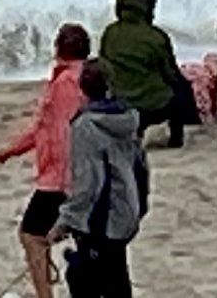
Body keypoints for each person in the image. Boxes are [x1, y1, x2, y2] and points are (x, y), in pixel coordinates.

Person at [0, 23, 91, 298]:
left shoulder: (65, 83)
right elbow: (44, 128)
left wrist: (63, 182)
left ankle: (44, 295)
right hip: (80, 174)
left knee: (31, 235)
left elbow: (60, 133)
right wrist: (13, 150)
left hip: (59, 178)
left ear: (59, 49)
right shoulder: (89, 77)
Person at [52, 59, 150, 298]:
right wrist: (139, 208)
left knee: (84, 280)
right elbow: (142, 168)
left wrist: (66, 220)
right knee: (115, 276)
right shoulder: (128, 119)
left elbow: (87, 183)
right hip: (127, 210)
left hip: (102, 218)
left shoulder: (86, 126)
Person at [97, 0, 194, 147]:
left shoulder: (109, 32)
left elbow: (103, 66)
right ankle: (176, 139)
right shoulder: (156, 37)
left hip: (119, 103)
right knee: (180, 90)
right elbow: (170, 75)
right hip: (150, 107)